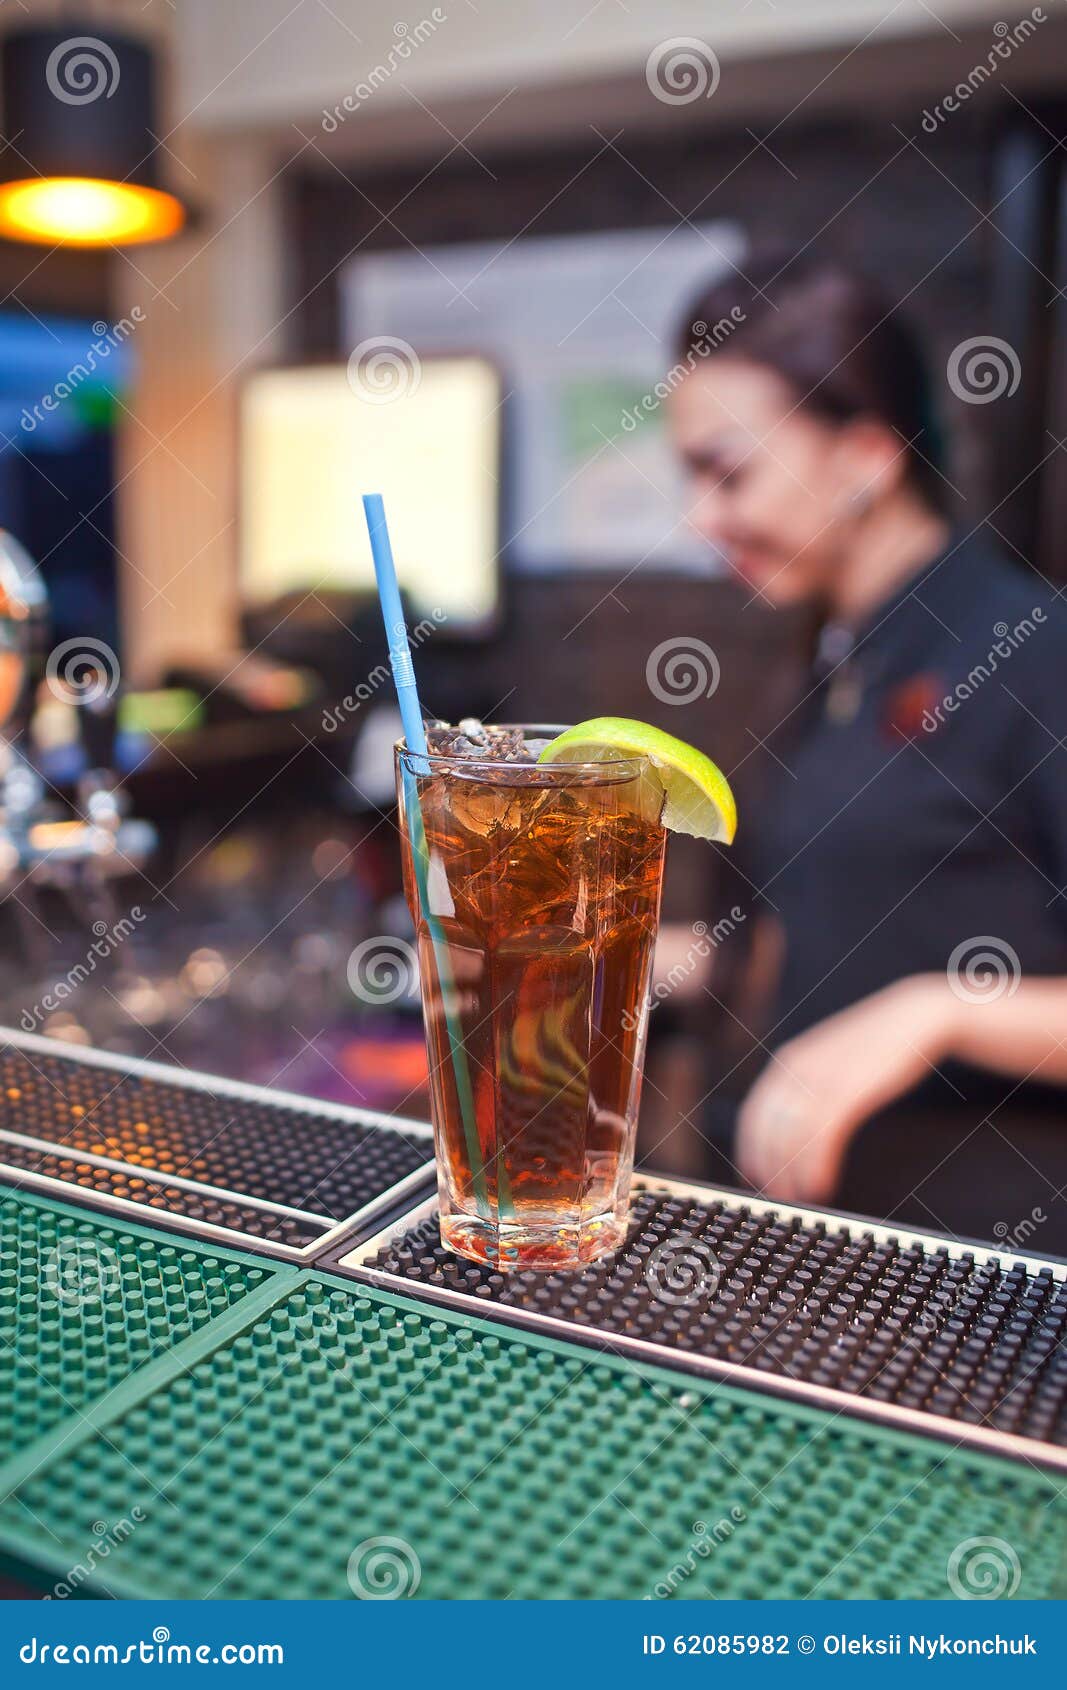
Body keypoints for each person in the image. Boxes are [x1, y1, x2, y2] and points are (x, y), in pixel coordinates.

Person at [668, 254, 1067, 1218]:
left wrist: (938, 1012)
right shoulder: (835, 658)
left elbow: (907, 983)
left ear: (862, 459)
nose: (702, 518)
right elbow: (811, 933)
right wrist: (596, 953)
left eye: (728, 472)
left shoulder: (1031, 647)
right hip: (817, 1241)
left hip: (984, 1277)